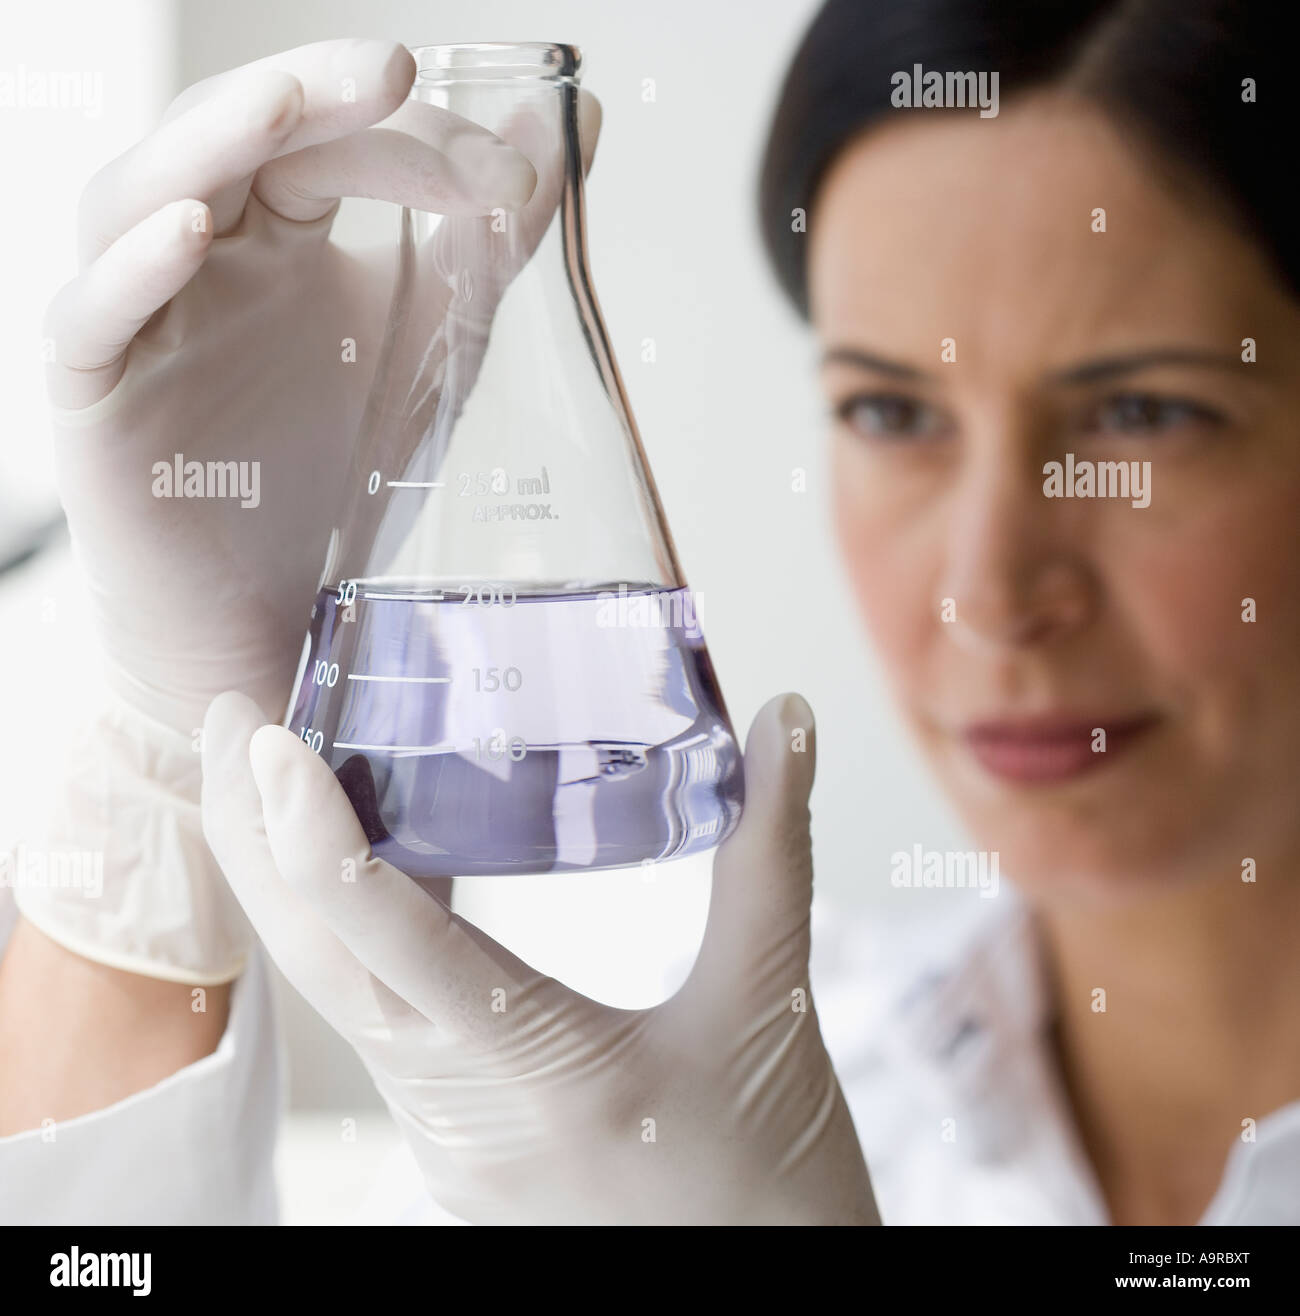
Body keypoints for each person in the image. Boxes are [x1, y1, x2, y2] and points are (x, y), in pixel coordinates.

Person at [2, 0, 1296, 1226]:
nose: (993, 594)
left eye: (1145, 416)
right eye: (892, 413)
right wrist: (173, 751)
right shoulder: (785, 1044)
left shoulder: (738, 1103)